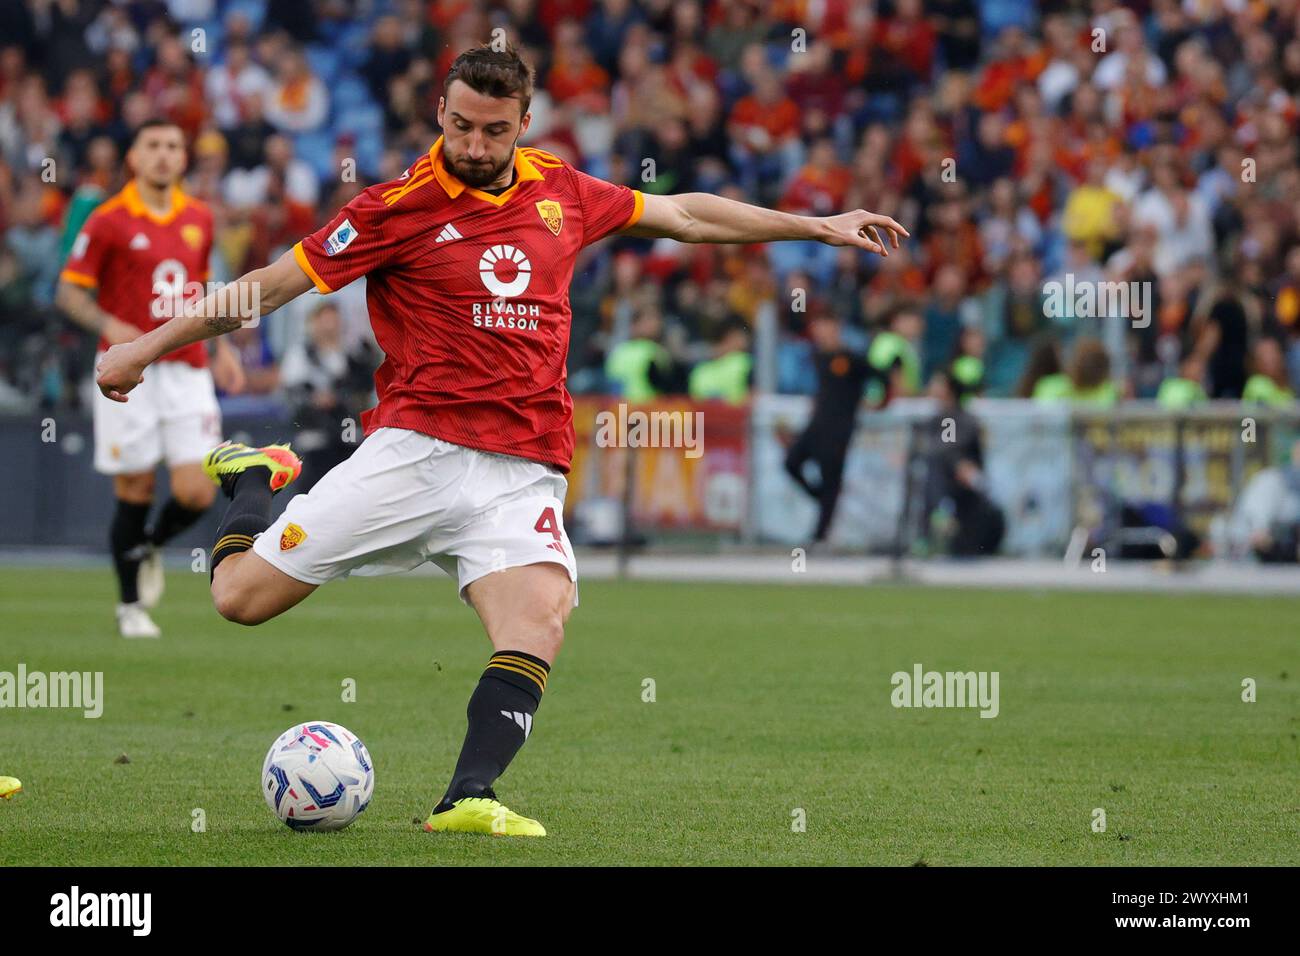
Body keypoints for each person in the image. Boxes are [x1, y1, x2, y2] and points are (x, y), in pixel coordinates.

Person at [95, 43, 908, 837]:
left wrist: (816, 226)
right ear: (439, 113)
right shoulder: (394, 207)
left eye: (494, 130)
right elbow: (266, 289)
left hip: (524, 467)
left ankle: (466, 798)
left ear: (524, 122)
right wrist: (143, 348)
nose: (475, 146)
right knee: (238, 599)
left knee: (539, 619)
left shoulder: (561, 187)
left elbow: (684, 215)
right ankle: (255, 480)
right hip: (417, 451)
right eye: (460, 127)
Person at [56, 119, 244, 639]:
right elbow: (68, 292)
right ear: (134, 157)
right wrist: (108, 324)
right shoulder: (108, 219)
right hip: (127, 369)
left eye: (173, 146)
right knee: (135, 486)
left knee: (197, 492)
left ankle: (151, 546)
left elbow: (202, 290)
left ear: (184, 158)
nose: (164, 154)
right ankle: (130, 606)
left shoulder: (199, 217)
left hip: (187, 368)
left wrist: (222, 347)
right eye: (153, 145)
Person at [784, 314, 869, 543]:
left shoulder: (852, 359)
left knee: (830, 478)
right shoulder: (818, 356)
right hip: (817, 424)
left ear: (837, 328)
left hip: (839, 428)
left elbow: (878, 379)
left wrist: (877, 401)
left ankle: (820, 536)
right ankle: (820, 498)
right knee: (791, 462)